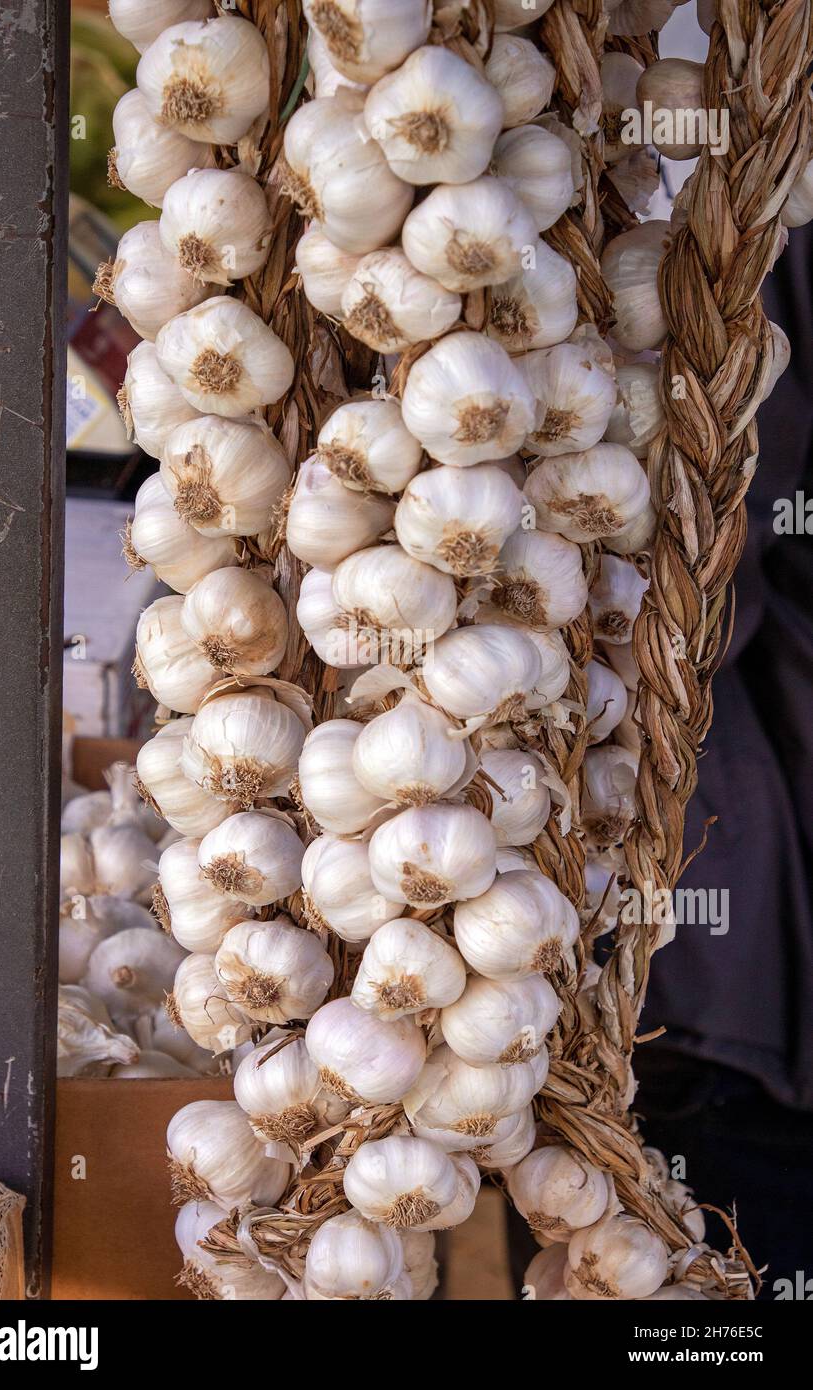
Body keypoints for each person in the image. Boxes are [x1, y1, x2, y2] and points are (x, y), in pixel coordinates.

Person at [507, 224, 813, 1301]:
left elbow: (684, 589)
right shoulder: (772, 256)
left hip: (706, 984)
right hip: (704, 975)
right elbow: (692, 571)